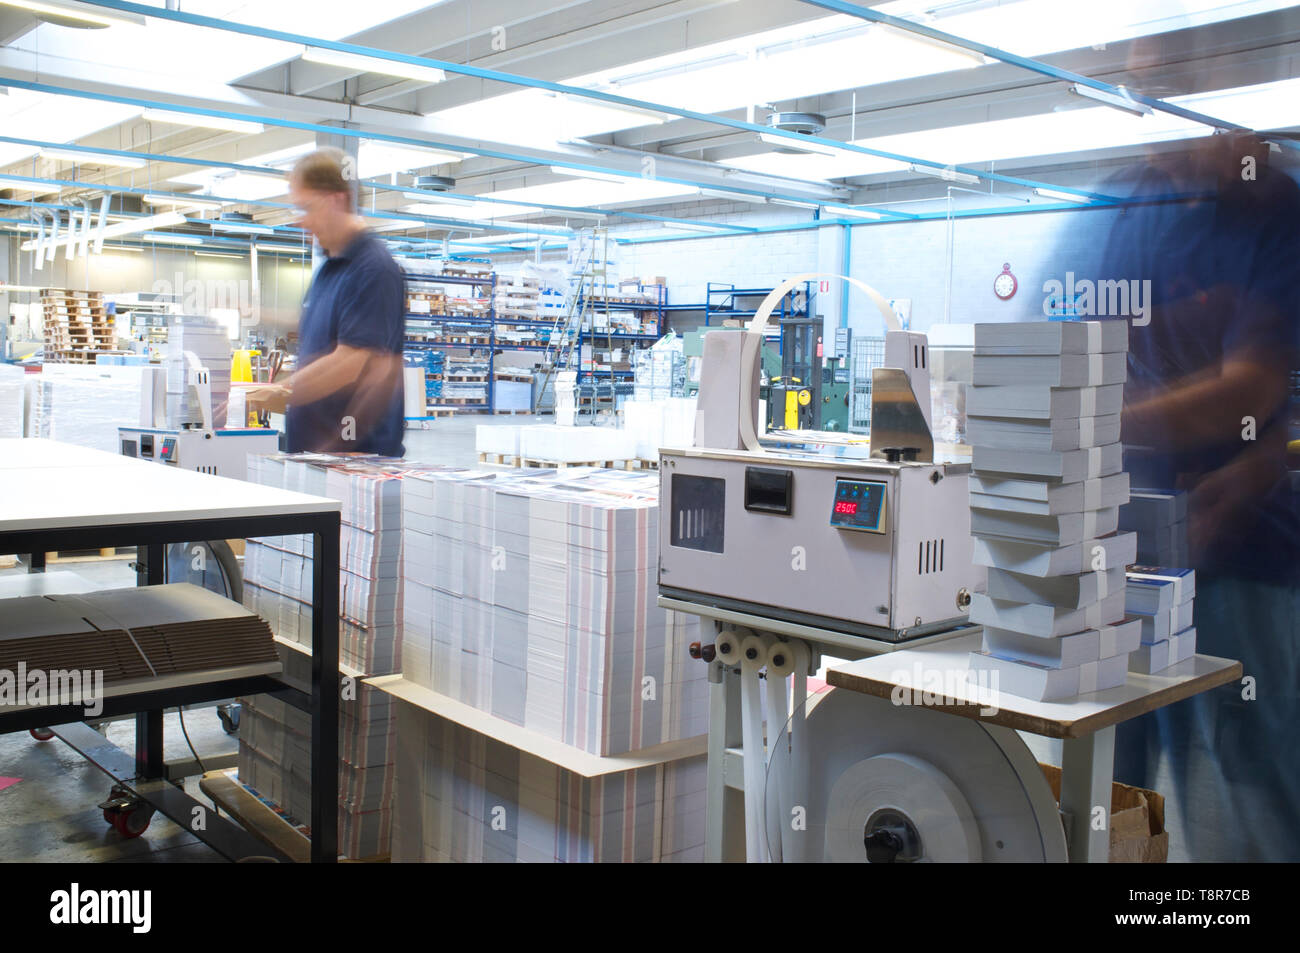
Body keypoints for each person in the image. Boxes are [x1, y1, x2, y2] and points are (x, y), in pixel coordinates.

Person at [1093, 130, 1300, 861]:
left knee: (1241, 801)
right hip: (1123, 551)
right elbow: (1078, 337)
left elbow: (1250, 387)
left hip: (1243, 559)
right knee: (1118, 790)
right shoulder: (1128, 200)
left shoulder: (1273, 207)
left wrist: (1089, 419)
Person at [251, 147, 405, 457]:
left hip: (354, 463)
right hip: (318, 457)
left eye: (306, 207)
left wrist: (276, 393)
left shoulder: (373, 268)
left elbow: (348, 363)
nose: (301, 221)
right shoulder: (331, 269)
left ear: (337, 200)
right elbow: (323, 330)